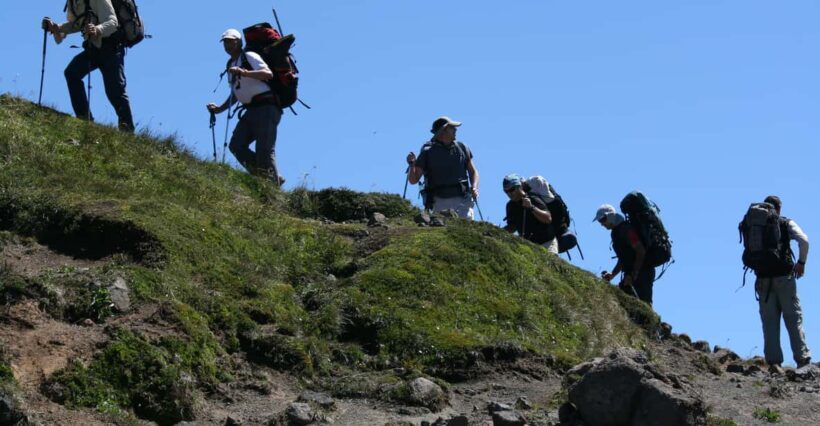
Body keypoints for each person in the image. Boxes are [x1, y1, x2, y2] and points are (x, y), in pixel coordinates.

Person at [42, 0, 135, 132]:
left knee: (115, 91)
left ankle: (127, 130)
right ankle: (84, 119)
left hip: (111, 48)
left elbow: (113, 22)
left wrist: (97, 29)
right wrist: (57, 28)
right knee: (72, 73)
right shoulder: (73, 2)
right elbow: (76, 24)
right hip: (93, 48)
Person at [207, 29, 284, 186]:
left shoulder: (249, 56)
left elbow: (267, 74)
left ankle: (271, 186)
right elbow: (236, 93)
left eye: (231, 41)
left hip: (266, 107)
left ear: (239, 42)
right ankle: (268, 178)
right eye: (225, 42)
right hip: (251, 110)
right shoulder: (230, 65)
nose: (227, 45)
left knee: (264, 150)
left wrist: (243, 72)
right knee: (236, 145)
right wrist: (219, 109)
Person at [754, 196, 811, 372]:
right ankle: (802, 361)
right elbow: (804, 241)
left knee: (769, 322)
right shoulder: (785, 223)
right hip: (784, 278)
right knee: (793, 319)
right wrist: (801, 263)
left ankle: (774, 364)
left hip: (763, 280)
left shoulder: (755, 225)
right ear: (778, 208)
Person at [405, 116, 480, 219]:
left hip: (463, 200)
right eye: (452, 127)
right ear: (443, 130)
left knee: (464, 225)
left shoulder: (462, 148)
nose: (455, 130)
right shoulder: (428, 152)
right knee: (444, 226)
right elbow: (413, 180)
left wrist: (474, 187)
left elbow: (473, 172)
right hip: (438, 201)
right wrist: (412, 165)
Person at [594, 204, 655, 305]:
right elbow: (623, 258)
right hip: (633, 274)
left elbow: (641, 251)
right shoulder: (616, 232)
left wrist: (633, 274)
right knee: (627, 302)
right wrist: (612, 274)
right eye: (600, 221)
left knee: (645, 304)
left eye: (603, 219)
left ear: (610, 216)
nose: (602, 224)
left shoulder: (627, 230)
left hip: (643, 271)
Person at [501, 174, 558, 254]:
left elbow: (548, 218)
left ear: (519, 187)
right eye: (506, 191)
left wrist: (531, 207)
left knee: (549, 262)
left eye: (512, 190)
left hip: (547, 243)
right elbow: (512, 226)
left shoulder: (532, 198)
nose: (509, 194)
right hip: (530, 246)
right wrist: (498, 231)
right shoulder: (510, 206)